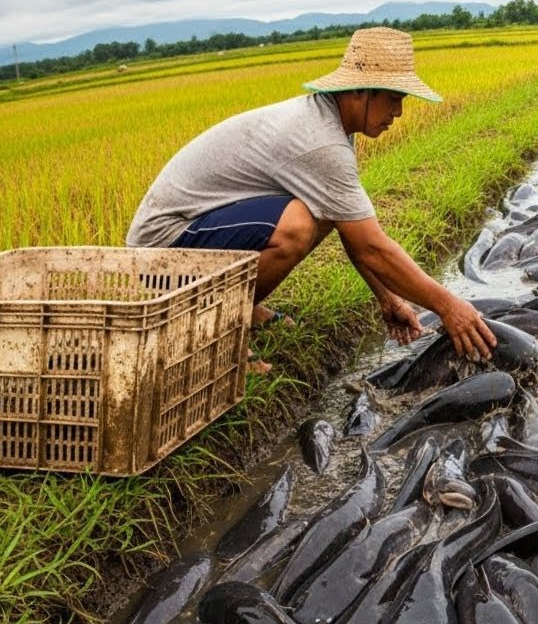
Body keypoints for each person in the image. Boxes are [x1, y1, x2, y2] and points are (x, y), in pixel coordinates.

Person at [126, 27, 496, 373]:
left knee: (322, 213)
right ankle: (217, 333)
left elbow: (351, 228)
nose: (397, 113)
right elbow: (373, 248)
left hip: (199, 231)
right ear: (359, 92)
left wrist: (388, 298)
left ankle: (244, 306)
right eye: (393, 99)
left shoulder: (329, 124)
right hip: (163, 249)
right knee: (297, 225)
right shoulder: (321, 143)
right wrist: (450, 308)